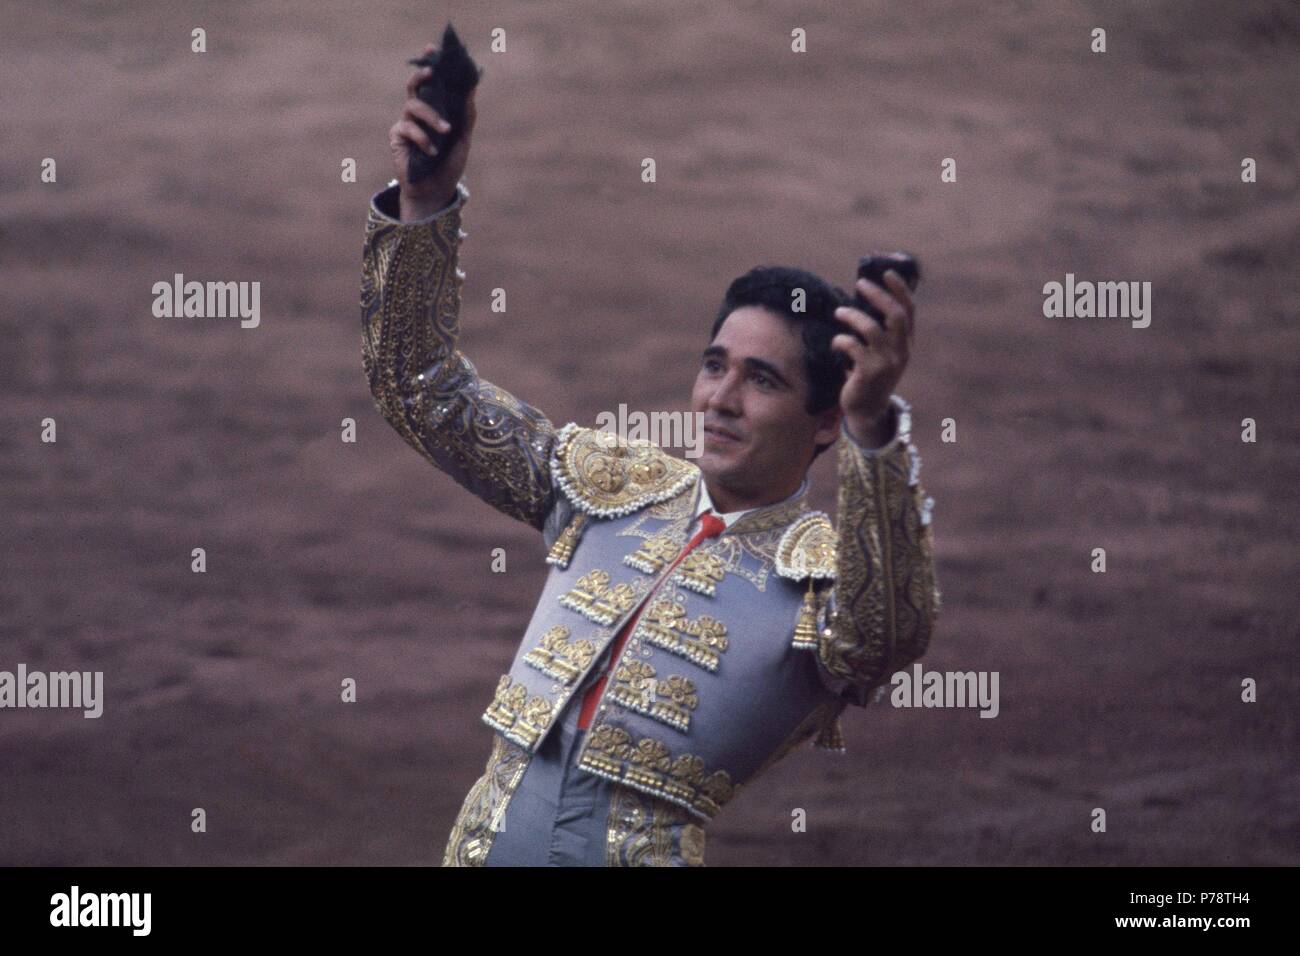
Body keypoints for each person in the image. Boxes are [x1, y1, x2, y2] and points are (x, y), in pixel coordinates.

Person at [360, 47, 941, 866]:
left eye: (762, 380)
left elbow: (893, 633)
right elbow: (423, 391)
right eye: (715, 366)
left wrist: (876, 424)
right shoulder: (610, 488)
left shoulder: (823, 583)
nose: (720, 400)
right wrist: (424, 204)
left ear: (822, 423)